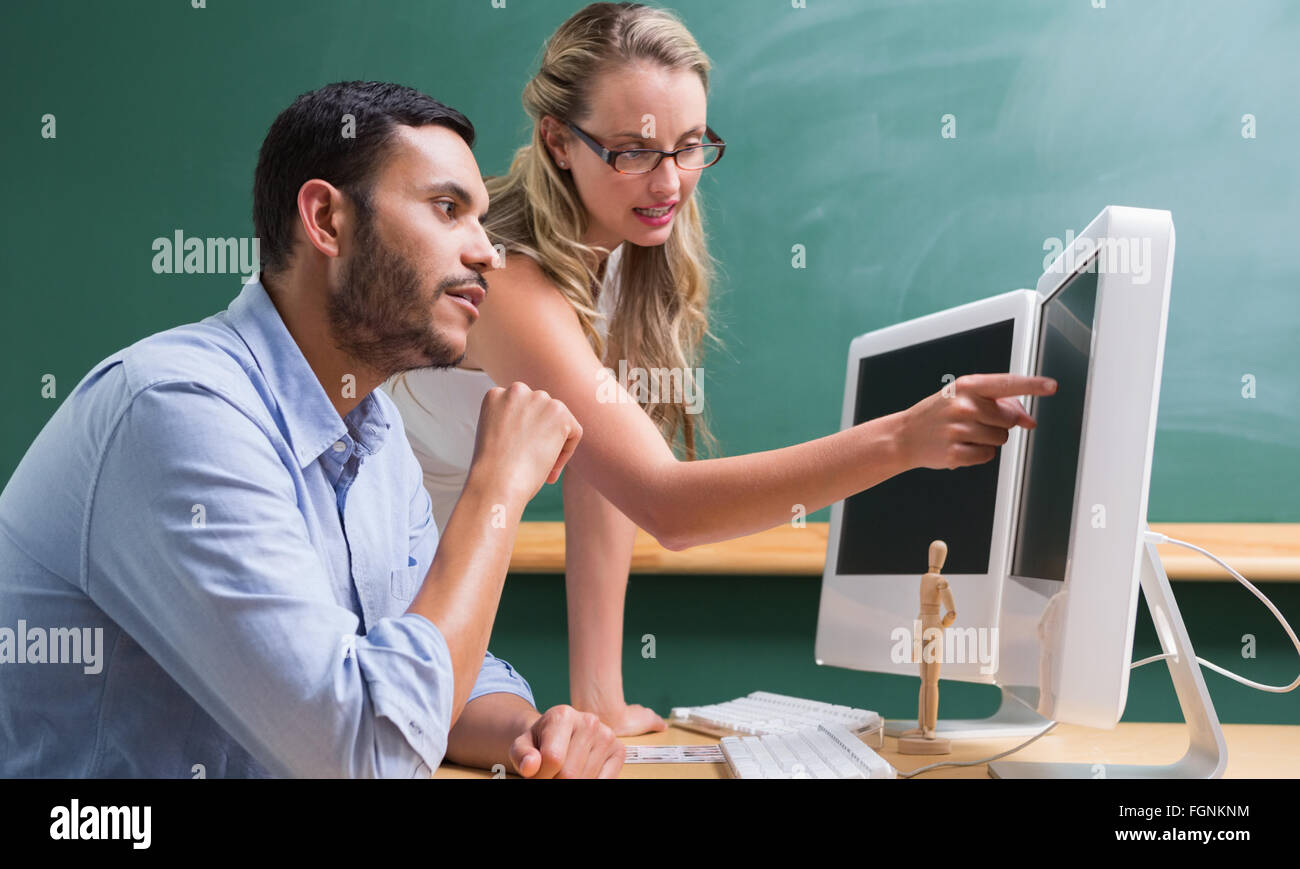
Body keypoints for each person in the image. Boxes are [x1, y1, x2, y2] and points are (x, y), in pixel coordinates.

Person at [384, 2, 1057, 736]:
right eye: (633, 152)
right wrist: (900, 441)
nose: (670, 181)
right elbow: (665, 503)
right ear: (557, 142)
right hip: (364, 607)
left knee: (529, 741)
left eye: (690, 145)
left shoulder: (614, 269)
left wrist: (599, 696)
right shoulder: (507, 283)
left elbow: (603, 476)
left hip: (427, 611)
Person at [0, 80, 626, 779]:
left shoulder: (374, 428)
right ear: (326, 219)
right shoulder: (178, 413)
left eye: (481, 218)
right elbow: (364, 751)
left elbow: (437, 673)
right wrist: (498, 484)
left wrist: (527, 732)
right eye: (449, 209)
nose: (488, 253)